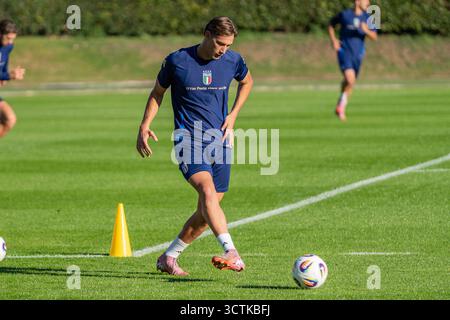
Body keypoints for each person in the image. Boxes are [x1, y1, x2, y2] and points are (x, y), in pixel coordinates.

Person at [136, 17, 253, 276]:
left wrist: (233, 115)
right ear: (207, 34)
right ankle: (231, 251)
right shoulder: (177, 61)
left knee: (207, 210)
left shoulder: (233, 60)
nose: (223, 49)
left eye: (228, 45)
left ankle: (169, 257)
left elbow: (247, 82)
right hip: (188, 141)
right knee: (207, 192)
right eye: (220, 43)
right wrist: (145, 125)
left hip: (220, 141)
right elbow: (158, 92)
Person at [328, 0, 377, 121]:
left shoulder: (368, 17)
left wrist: (366, 30)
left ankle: (340, 102)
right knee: (351, 80)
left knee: (349, 82)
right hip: (344, 52)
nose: (368, 3)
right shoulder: (345, 15)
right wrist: (334, 40)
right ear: (357, 1)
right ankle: (341, 107)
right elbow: (330, 25)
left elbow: (374, 37)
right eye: (366, 1)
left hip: (358, 55)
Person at [0, 19, 25, 138]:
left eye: (13, 39)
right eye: (8, 38)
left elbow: (4, 60)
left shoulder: (8, 47)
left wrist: (4, 74)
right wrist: (10, 75)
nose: (10, 42)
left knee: (10, 119)